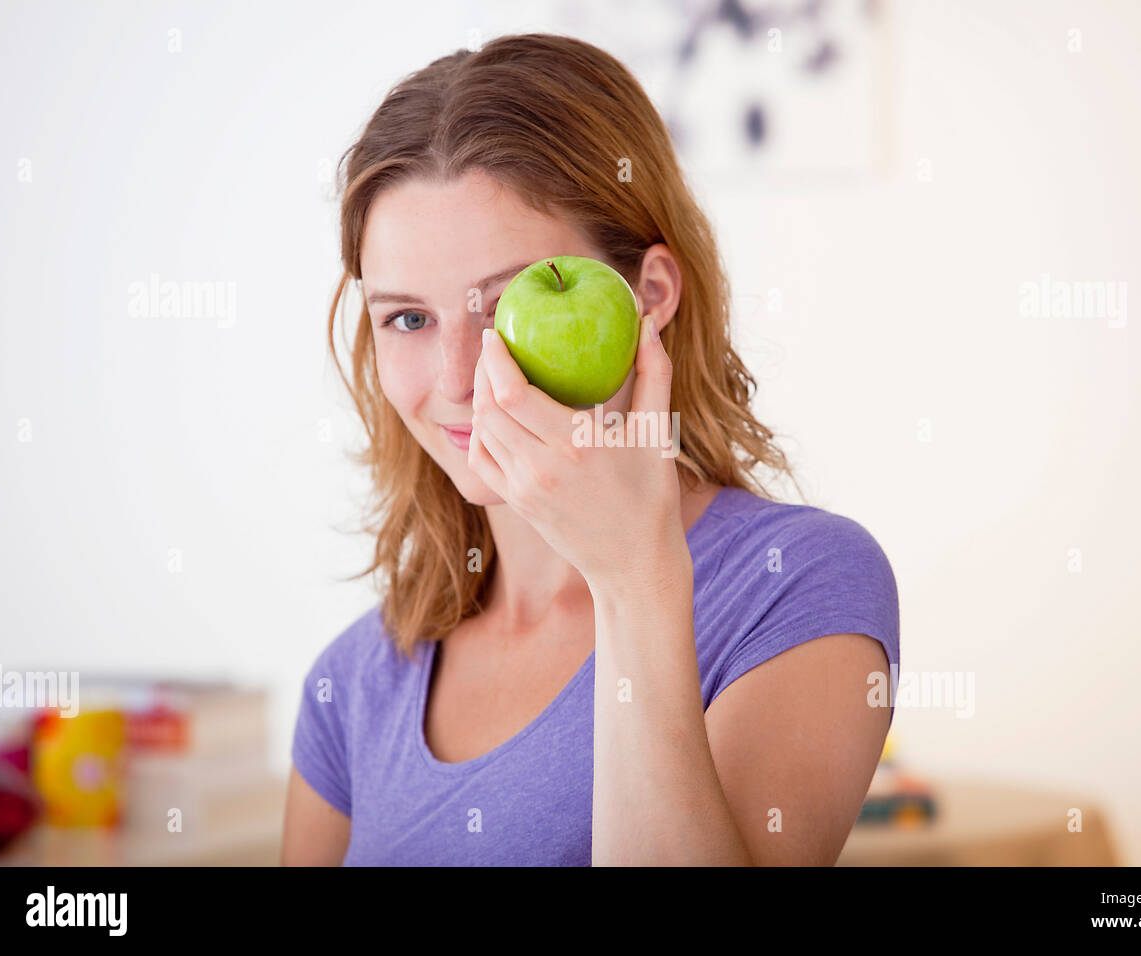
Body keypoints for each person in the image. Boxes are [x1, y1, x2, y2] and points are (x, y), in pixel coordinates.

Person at [283, 33, 899, 866]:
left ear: (648, 297)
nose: (462, 379)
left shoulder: (797, 585)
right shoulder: (354, 684)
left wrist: (635, 579)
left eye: (506, 309)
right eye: (409, 319)